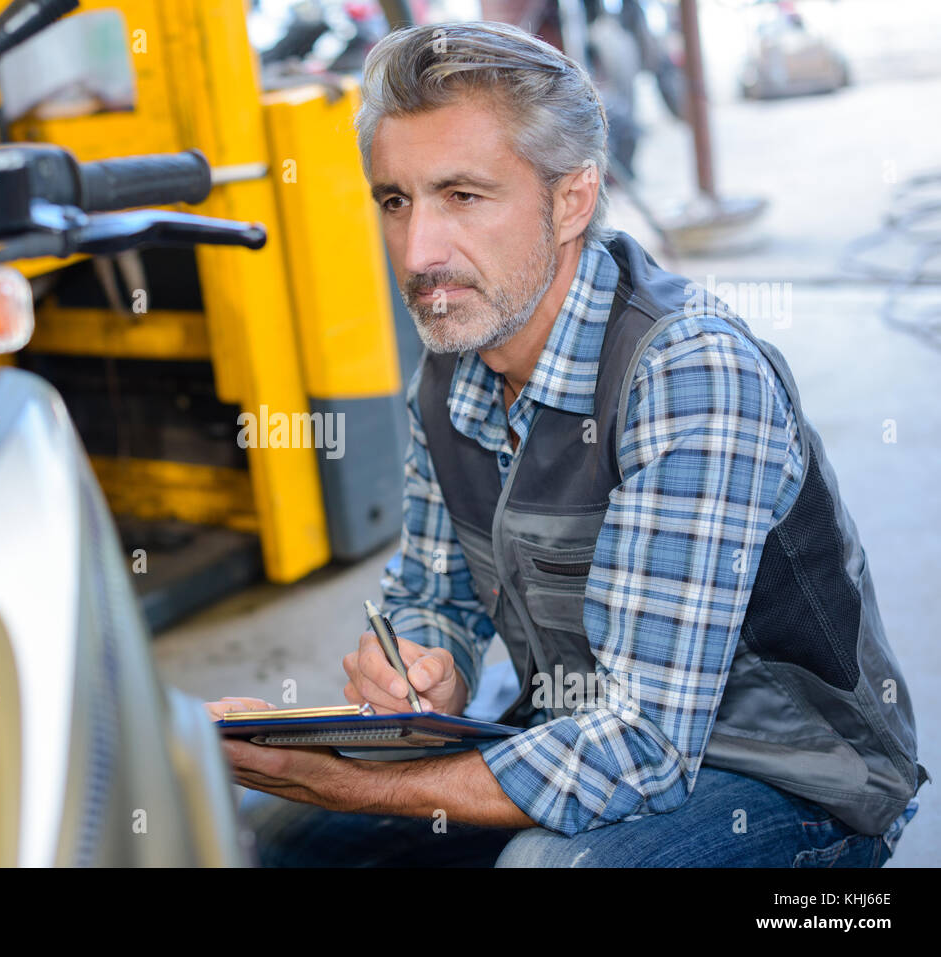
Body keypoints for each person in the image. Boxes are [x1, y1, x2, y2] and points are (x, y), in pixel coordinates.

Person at [207, 20, 925, 867]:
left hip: (796, 785)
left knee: (549, 866)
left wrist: (359, 781)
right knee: (280, 836)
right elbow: (433, 590)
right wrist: (430, 663)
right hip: (581, 728)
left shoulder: (687, 374)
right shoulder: (450, 366)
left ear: (573, 199)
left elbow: (645, 747)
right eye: (396, 200)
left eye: (463, 196)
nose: (419, 251)